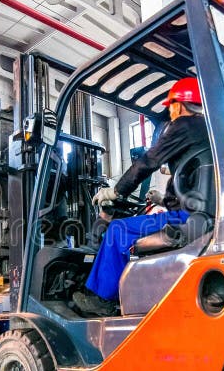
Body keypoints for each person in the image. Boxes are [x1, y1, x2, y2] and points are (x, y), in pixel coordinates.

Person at [73, 77, 209, 315]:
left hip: (186, 217)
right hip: (198, 213)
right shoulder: (207, 128)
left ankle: (103, 301)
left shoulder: (184, 125)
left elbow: (148, 161)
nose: (170, 112)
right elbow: (196, 177)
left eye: (171, 107)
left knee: (116, 231)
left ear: (178, 104)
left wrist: (116, 191)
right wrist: (161, 199)